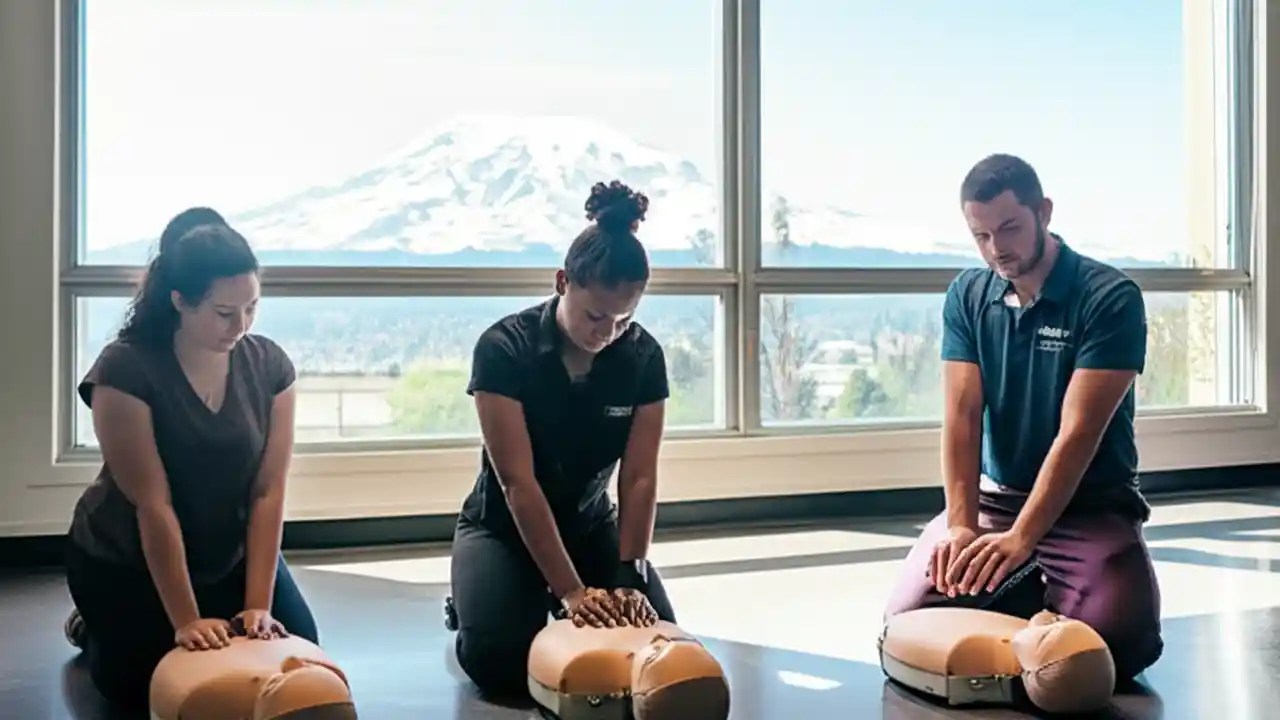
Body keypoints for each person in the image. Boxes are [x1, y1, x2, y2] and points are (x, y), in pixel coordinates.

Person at [883, 154, 1162, 680]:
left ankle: (1026, 588)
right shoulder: (968, 295)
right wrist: (962, 528)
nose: (997, 249)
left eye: (1009, 228)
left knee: (1122, 645)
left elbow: (1078, 435)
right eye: (980, 235)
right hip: (996, 500)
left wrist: (1023, 539)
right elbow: (963, 416)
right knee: (906, 622)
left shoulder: (1110, 297)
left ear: (1045, 212)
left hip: (1090, 506)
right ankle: (1027, 602)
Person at [62, 207, 319, 710]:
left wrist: (257, 607)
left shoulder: (270, 366)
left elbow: (268, 489)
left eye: (252, 307)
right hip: (126, 555)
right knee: (144, 686)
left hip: (225, 548)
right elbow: (152, 505)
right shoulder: (124, 370)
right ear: (179, 300)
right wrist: (185, 622)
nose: (240, 325)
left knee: (298, 657)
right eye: (225, 313)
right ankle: (92, 624)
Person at [446, 180, 677, 699]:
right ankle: (471, 601)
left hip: (591, 525)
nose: (608, 332)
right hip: (502, 528)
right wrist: (571, 592)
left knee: (652, 639)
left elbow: (639, 478)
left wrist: (627, 574)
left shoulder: (643, 358)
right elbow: (517, 483)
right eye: (596, 315)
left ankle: (562, 598)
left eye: (625, 319)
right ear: (561, 282)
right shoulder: (503, 349)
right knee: (501, 667)